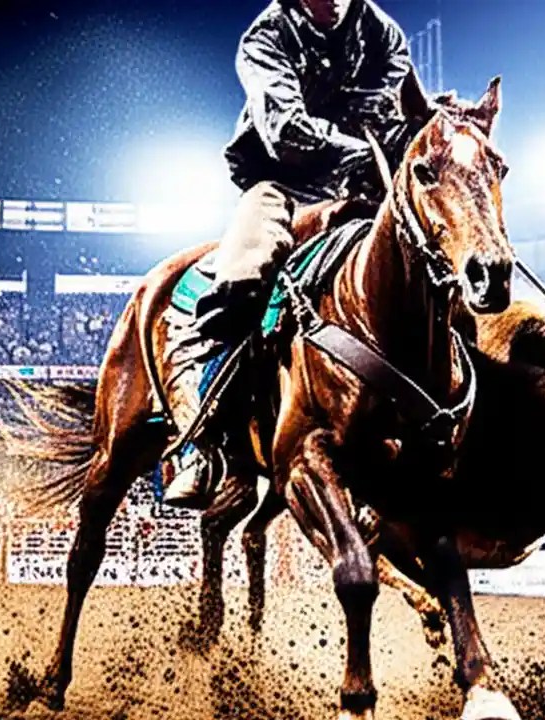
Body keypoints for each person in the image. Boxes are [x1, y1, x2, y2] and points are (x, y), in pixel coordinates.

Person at [165, 0, 416, 508]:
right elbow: (286, 133)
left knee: (430, 261)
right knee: (242, 274)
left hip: (361, 184)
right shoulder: (265, 38)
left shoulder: (382, 31)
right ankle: (206, 442)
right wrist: (366, 151)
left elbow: (404, 109)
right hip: (281, 183)